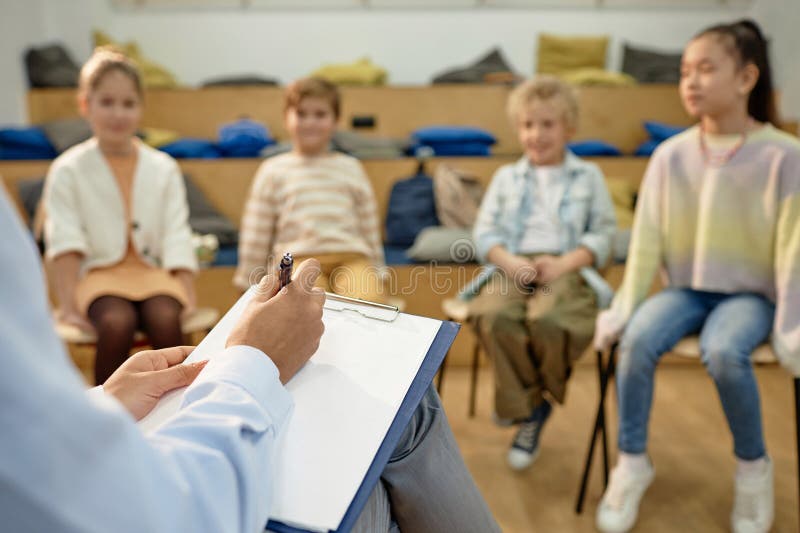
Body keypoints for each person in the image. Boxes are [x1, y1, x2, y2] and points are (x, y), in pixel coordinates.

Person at [2, 187, 498, 533]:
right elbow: (179, 513)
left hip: (349, 262)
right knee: (407, 418)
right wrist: (254, 358)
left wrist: (103, 400)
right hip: (197, 504)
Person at [592, 20, 800, 533]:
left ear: (747, 77)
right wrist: (622, 309)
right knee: (636, 340)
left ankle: (753, 470)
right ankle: (632, 461)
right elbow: (644, 245)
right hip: (686, 289)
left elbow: (795, 252)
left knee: (726, 350)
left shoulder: (784, 155)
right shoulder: (670, 155)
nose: (691, 81)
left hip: (751, 296)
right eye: (685, 71)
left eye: (707, 68)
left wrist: (791, 327)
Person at [467, 76, 616, 470]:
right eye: (528, 125)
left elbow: (604, 235)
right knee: (492, 315)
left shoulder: (590, 177)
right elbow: (485, 234)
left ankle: (523, 401)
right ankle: (533, 408)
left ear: (569, 127)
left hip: (564, 264)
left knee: (549, 319)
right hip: (514, 264)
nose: (537, 134)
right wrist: (511, 262)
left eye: (547, 124)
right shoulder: (505, 178)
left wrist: (564, 264)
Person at [43, 48, 198, 384]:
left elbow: (176, 231)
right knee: (116, 322)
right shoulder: (68, 169)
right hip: (99, 276)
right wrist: (68, 305)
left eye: (128, 104)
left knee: (166, 319)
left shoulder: (164, 168)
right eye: (107, 102)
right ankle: (109, 412)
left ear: (141, 108)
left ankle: (178, 409)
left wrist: (187, 291)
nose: (118, 113)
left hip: (152, 273)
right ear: (86, 105)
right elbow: (64, 237)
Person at [233, 77, 385, 301]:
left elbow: (369, 226)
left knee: (370, 305)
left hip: (352, 258)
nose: (310, 122)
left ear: (336, 120)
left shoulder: (351, 167)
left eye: (320, 115)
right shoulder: (272, 170)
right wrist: (246, 281)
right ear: (286, 118)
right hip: (298, 258)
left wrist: (379, 271)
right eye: (301, 114)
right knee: (302, 304)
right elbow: (256, 232)